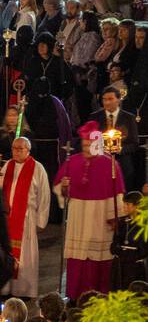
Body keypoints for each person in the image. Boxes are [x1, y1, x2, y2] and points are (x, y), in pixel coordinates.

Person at [53, 122, 126, 299]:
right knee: (78, 261)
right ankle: (74, 295)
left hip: (99, 219)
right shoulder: (73, 161)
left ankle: (99, 296)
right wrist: (64, 187)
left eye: (89, 145)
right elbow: (59, 188)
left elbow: (117, 195)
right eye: (84, 145)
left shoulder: (110, 164)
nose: (86, 148)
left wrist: (114, 219)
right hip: (78, 216)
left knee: (98, 261)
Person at [0, 137, 51, 298]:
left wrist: (41, 220)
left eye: (21, 149)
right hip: (7, 220)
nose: (17, 151)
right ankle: (6, 288)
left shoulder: (37, 168)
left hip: (26, 220)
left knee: (26, 258)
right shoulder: (7, 166)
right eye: (14, 148)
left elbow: (44, 195)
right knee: (6, 253)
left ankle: (24, 291)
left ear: (28, 150)